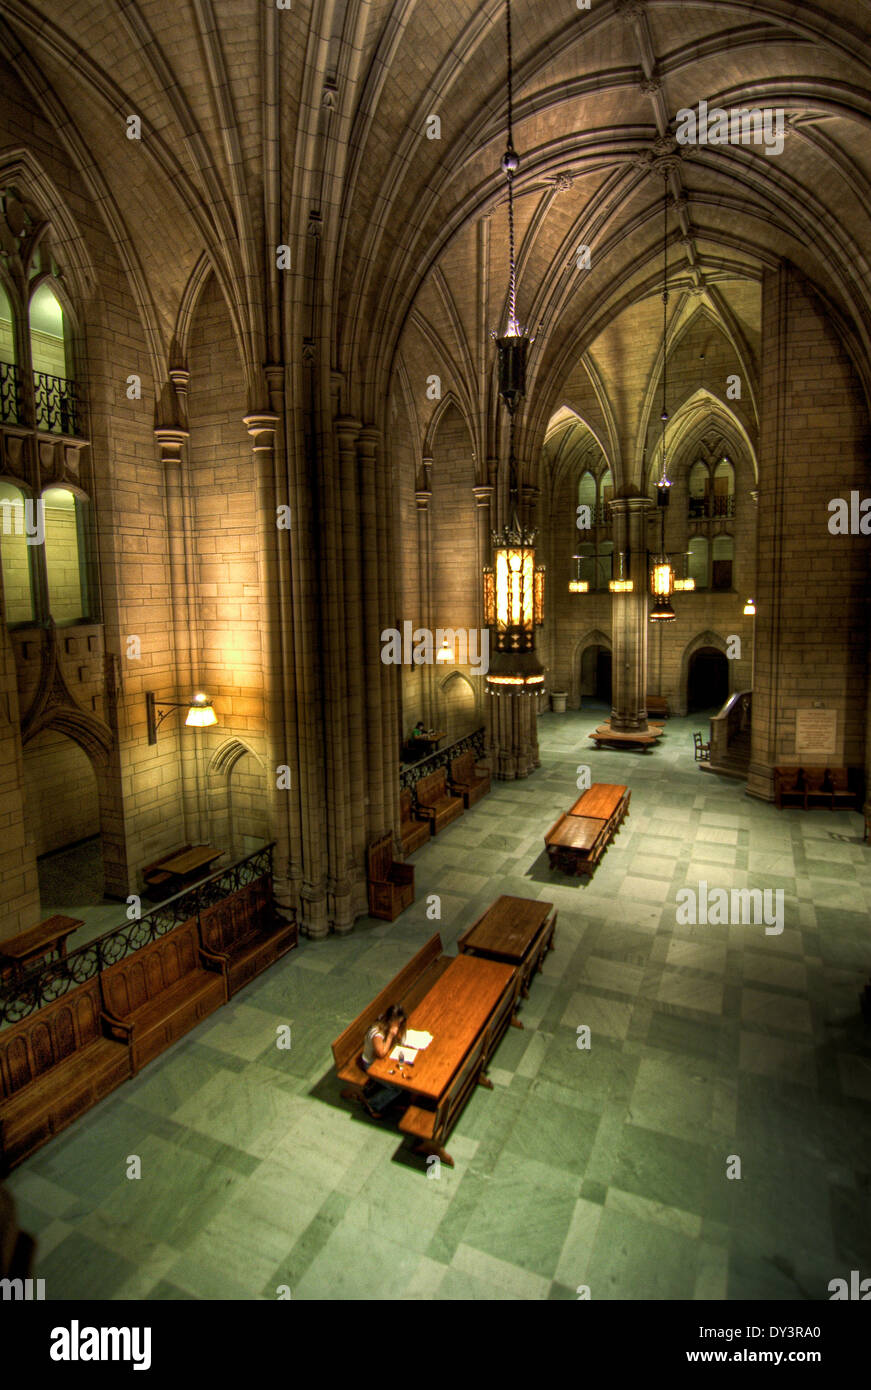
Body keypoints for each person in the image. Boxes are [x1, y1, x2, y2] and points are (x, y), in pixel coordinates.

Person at [359, 1004, 407, 1119]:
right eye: (397, 1023)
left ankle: (393, 1099)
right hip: (370, 1064)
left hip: (379, 1061)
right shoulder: (377, 1033)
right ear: (391, 1020)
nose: (398, 1025)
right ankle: (372, 1105)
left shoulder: (385, 1024)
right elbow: (380, 1054)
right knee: (396, 1087)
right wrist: (390, 1036)